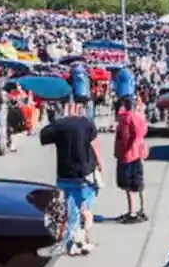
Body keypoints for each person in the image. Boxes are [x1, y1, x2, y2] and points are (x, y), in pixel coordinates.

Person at [40, 114, 102, 256]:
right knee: (85, 209)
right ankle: (81, 241)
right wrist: (99, 164)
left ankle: (70, 242)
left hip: (64, 174)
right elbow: (95, 144)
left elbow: (44, 136)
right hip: (84, 174)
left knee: (70, 210)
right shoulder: (87, 123)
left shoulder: (60, 125)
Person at [114, 97, 149, 224]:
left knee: (129, 185)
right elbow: (141, 132)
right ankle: (141, 210)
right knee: (139, 184)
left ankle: (132, 212)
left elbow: (136, 133)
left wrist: (128, 148)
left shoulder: (128, 118)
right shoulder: (139, 116)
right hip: (137, 153)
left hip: (129, 155)